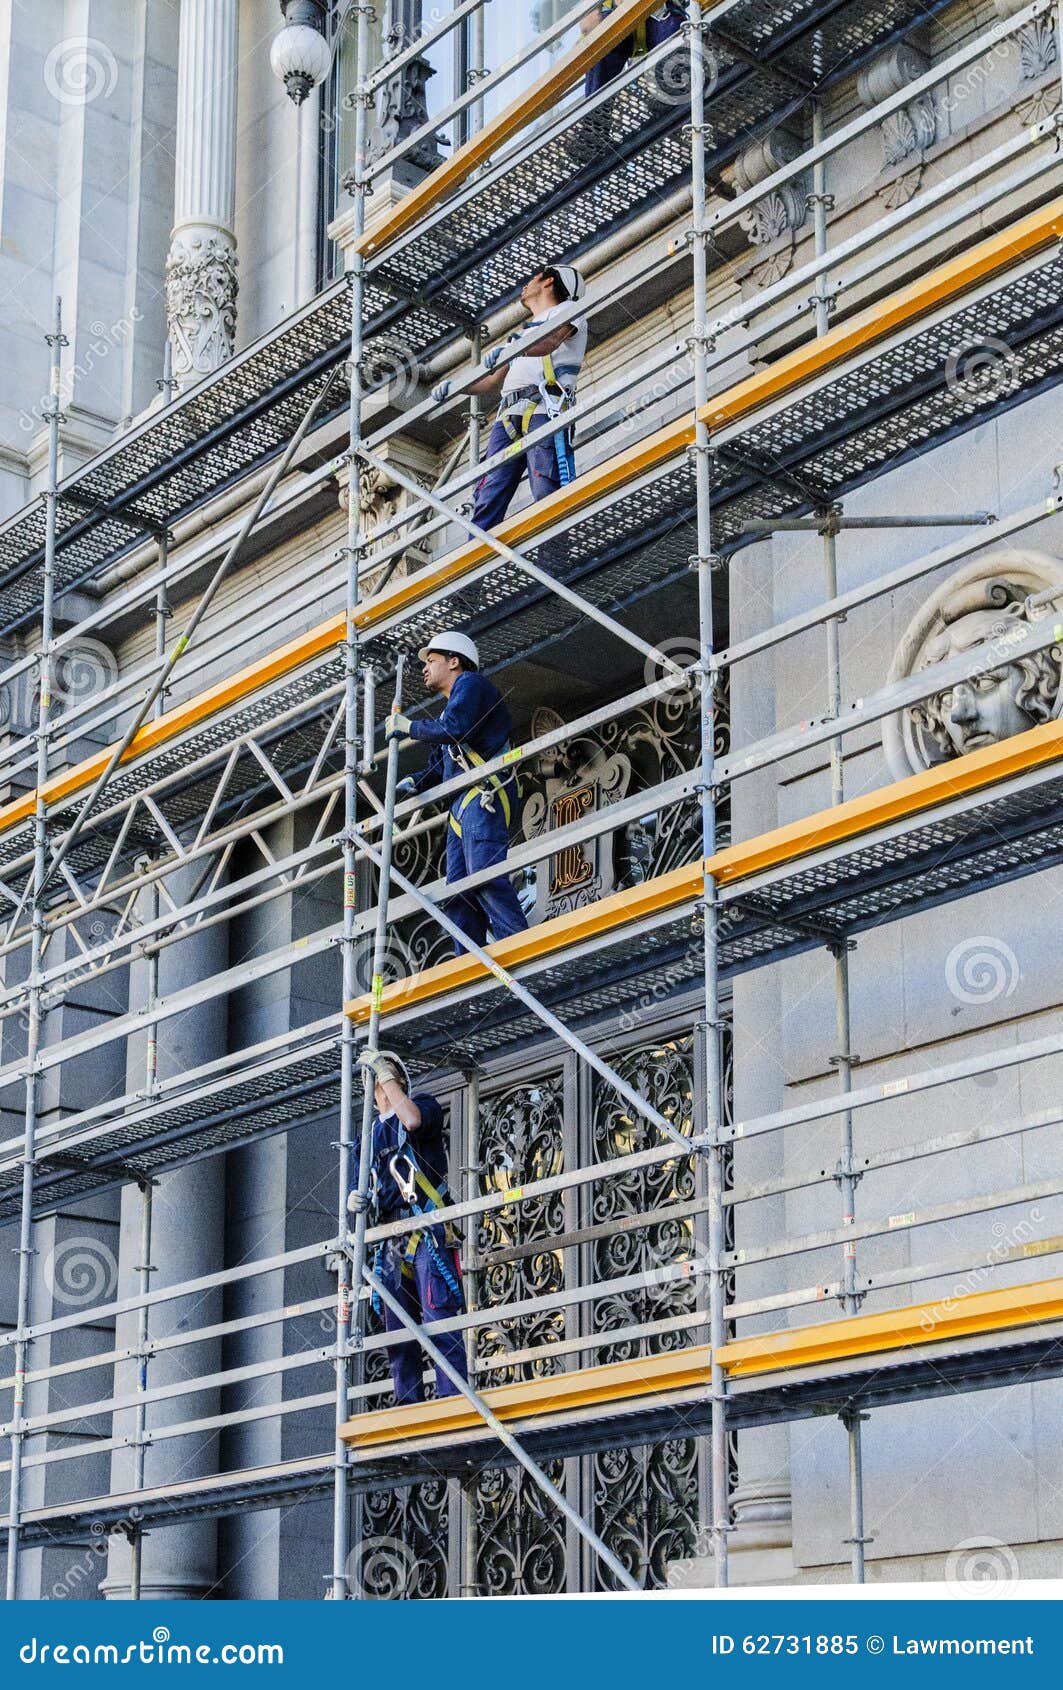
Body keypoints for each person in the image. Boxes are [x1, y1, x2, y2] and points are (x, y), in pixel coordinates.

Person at [388, 630, 529, 956]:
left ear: (454, 662)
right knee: (458, 893)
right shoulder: (450, 710)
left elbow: (454, 730)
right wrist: (416, 783)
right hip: (463, 806)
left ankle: (519, 946)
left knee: (483, 876)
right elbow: (440, 766)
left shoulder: (471, 685)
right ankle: (468, 962)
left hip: (484, 796)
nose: (425, 668)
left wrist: (408, 727)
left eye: (432, 661)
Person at [350, 1047, 469, 1407]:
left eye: (386, 1075)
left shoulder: (423, 1105)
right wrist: (353, 1201)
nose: (379, 1083)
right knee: (397, 1329)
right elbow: (358, 1185)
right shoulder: (367, 1138)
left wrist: (386, 1073)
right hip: (390, 1238)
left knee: (438, 1315)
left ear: (398, 1078)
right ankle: (408, 1405)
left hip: (426, 1228)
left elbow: (412, 1121)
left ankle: (451, 1401)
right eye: (375, 1078)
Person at [432, 264, 587, 532]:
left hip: (543, 408)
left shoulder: (569, 311)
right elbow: (491, 380)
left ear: (549, 281)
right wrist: (456, 388)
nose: (524, 285)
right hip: (508, 415)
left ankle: (554, 555)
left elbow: (550, 342)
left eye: (532, 278)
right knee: (489, 492)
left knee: (545, 484)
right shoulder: (523, 335)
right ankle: (477, 563)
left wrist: (517, 348)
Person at [581, 0, 685, 97]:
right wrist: (591, 16)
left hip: (657, 12)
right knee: (598, 43)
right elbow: (589, 21)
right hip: (621, 17)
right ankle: (598, 105)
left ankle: (676, 89)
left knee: (671, 42)